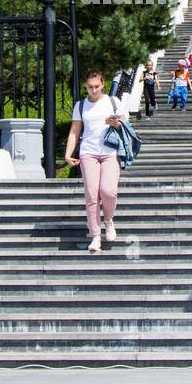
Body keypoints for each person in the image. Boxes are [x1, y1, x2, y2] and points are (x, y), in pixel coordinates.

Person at [65, 69, 129, 253]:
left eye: (97, 86)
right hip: (88, 152)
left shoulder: (112, 102)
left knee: (108, 191)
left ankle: (108, 220)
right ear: (86, 86)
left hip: (110, 152)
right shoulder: (81, 105)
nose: (94, 90)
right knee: (91, 196)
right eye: (90, 87)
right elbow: (75, 131)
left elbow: (125, 126)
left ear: (103, 85)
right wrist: (68, 154)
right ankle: (95, 235)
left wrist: (115, 123)